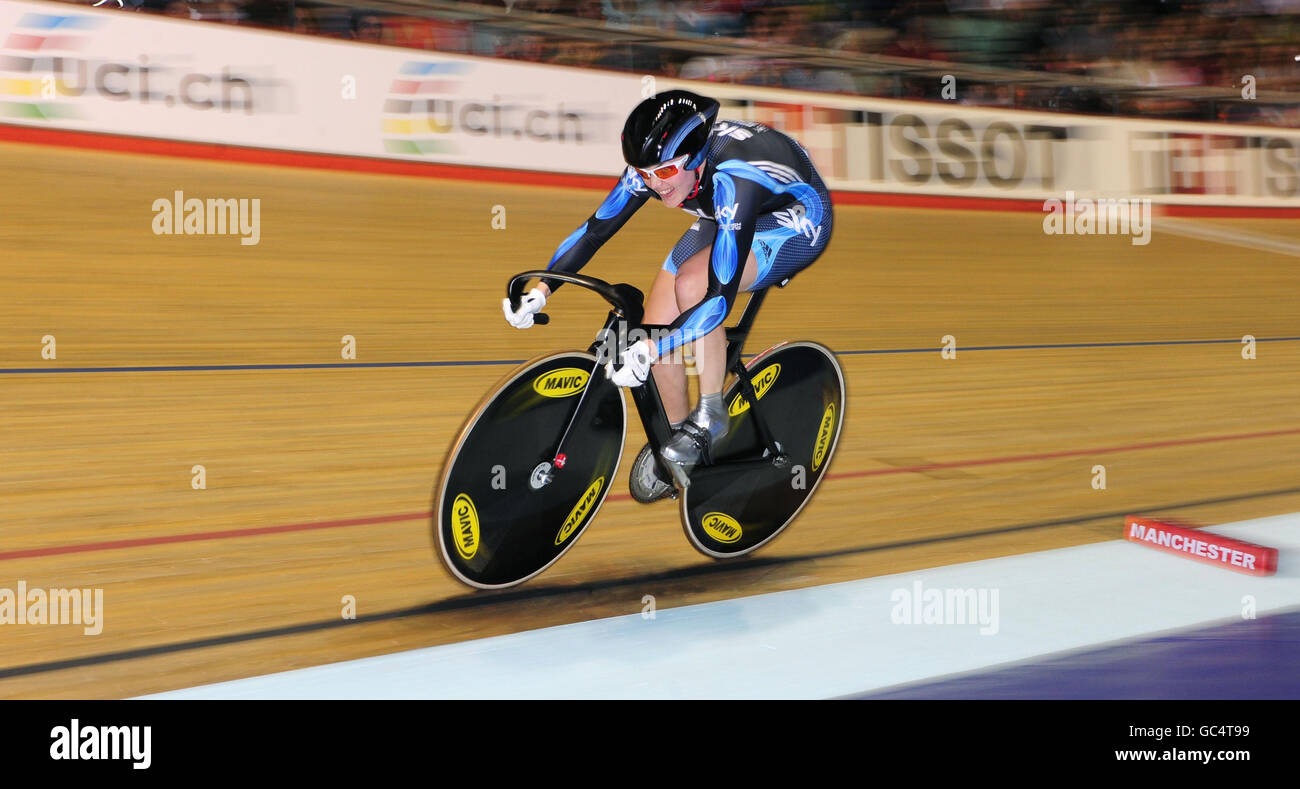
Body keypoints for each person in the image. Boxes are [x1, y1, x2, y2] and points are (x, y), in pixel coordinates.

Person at [503, 89, 833, 501]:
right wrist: (542, 289)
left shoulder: (735, 178)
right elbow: (595, 231)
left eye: (662, 174)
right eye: (643, 175)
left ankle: (711, 416)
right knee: (653, 330)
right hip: (723, 211)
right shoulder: (660, 169)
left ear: (694, 160)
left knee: (691, 287)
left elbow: (717, 298)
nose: (653, 186)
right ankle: (682, 445)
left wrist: (658, 346)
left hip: (795, 221)